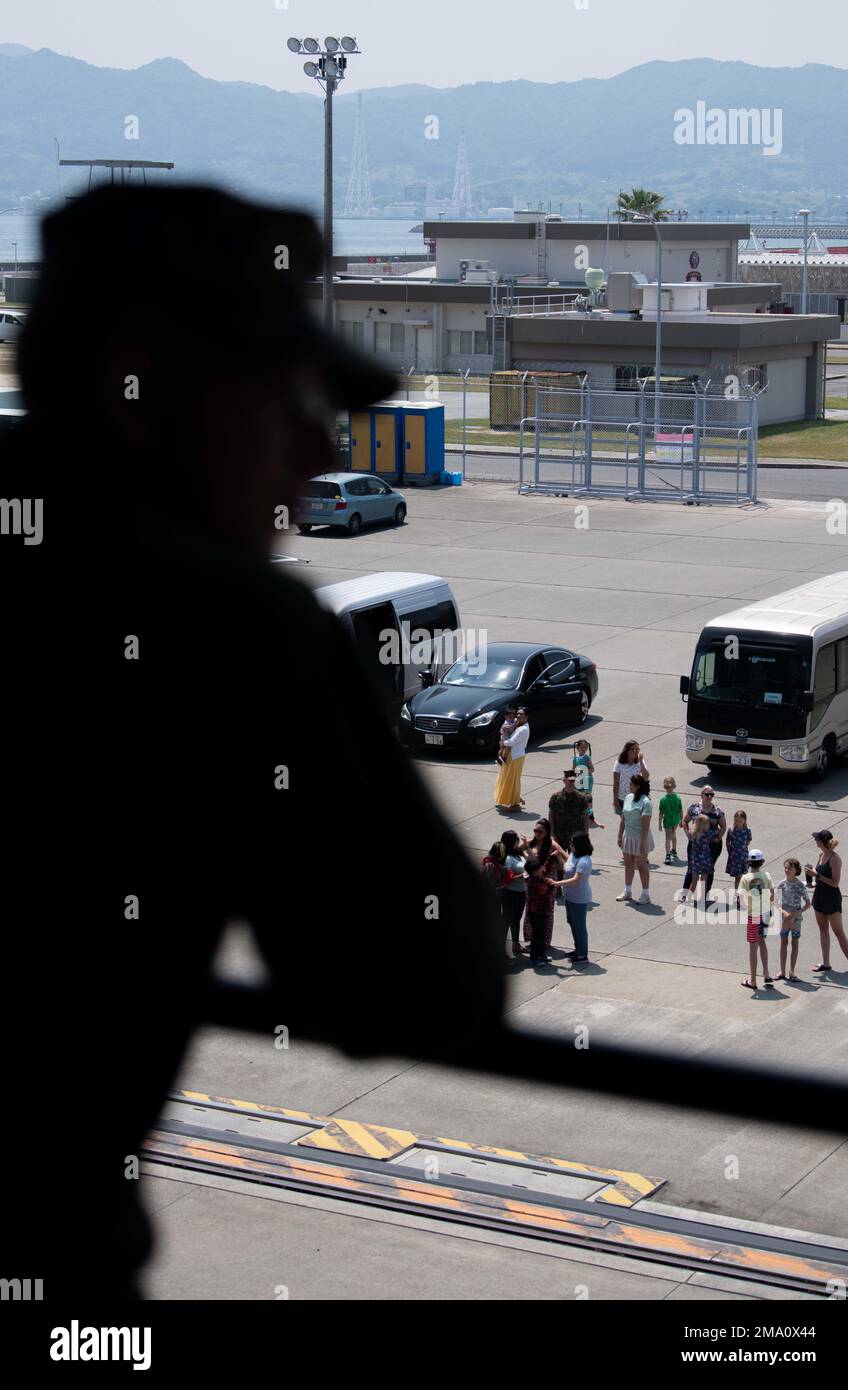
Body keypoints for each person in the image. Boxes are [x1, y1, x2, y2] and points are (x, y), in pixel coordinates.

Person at [3, 184, 505, 1300]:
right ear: (133, 394)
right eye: (281, 397)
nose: (322, 446)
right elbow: (423, 985)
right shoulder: (224, 626)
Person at [806, 832, 848, 976]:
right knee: (823, 929)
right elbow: (818, 876)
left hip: (831, 897)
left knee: (838, 931)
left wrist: (816, 875)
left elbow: (835, 883)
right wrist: (812, 881)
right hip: (819, 895)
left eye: (817, 839)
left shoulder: (835, 859)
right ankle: (826, 963)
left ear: (823, 841)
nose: (815, 840)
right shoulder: (821, 855)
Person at [522, 817, 565, 951]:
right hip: (533, 883)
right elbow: (516, 849)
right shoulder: (531, 842)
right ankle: (533, 939)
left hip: (547, 883)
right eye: (535, 830)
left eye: (540, 832)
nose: (537, 834)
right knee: (531, 909)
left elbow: (566, 860)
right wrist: (525, 856)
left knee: (546, 912)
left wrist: (556, 861)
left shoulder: (552, 844)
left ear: (547, 832)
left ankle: (545, 941)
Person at [738, 849, 775, 990]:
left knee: (753, 946)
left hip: (753, 915)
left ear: (748, 862)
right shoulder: (766, 875)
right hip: (765, 913)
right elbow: (772, 895)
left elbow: (740, 898)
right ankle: (766, 973)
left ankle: (753, 980)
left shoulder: (745, 878)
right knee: (762, 942)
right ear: (762, 862)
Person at [556, 831, 594, 964]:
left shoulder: (584, 861)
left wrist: (557, 884)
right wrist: (559, 856)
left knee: (580, 926)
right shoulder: (573, 855)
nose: (570, 845)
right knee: (572, 922)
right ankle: (578, 949)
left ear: (579, 845)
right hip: (570, 896)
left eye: (572, 843)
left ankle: (583, 955)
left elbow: (576, 880)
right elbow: (566, 868)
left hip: (579, 898)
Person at [681, 786, 727, 897]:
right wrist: (689, 835)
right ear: (701, 794)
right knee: (691, 870)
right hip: (695, 845)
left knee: (709, 871)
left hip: (713, 846)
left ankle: (705, 895)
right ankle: (685, 894)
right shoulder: (694, 808)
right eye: (707, 794)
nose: (709, 797)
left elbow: (723, 826)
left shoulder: (717, 810)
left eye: (712, 795)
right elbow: (684, 821)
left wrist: (719, 837)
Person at [616, 774, 654, 904]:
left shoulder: (646, 802)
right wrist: (619, 835)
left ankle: (645, 894)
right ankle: (627, 891)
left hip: (640, 838)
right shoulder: (628, 797)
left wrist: (643, 843)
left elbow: (646, 825)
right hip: (628, 836)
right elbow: (623, 818)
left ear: (637, 786)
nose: (629, 786)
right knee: (628, 865)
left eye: (631, 784)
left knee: (642, 866)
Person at [775, 858, 810, 983]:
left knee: (794, 943)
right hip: (784, 919)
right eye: (785, 868)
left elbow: (807, 903)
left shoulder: (799, 885)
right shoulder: (782, 884)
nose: (787, 870)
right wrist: (783, 912)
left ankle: (792, 971)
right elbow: (775, 900)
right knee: (783, 942)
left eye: (789, 868)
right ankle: (782, 971)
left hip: (796, 920)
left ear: (796, 870)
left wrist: (796, 914)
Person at [499, 830, 529, 956]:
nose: (518, 841)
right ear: (511, 842)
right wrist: (521, 876)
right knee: (507, 920)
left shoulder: (517, 853)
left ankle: (515, 944)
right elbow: (505, 878)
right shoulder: (507, 858)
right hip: (511, 894)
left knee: (516, 919)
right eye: (516, 839)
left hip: (521, 892)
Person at [494, 707, 530, 810]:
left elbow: (511, 742)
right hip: (512, 755)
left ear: (526, 716)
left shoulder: (523, 729)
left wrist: (502, 743)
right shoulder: (518, 724)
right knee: (507, 778)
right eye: (517, 714)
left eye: (521, 714)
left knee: (512, 780)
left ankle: (515, 804)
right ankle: (516, 798)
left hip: (516, 756)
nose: (518, 716)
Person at [549, 770, 590, 857]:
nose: (572, 783)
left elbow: (585, 816)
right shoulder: (556, 797)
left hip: (575, 835)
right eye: (569, 781)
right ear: (564, 781)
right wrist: (552, 833)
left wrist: (586, 833)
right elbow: (551, 815)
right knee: (559, 861)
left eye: (573, 781)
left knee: (576, 859)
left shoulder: (581, 797)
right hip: (559, 835)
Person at [524, 857, 556, 966]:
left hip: (542, 911)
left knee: (541, 934)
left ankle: (541, 954)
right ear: (534, 871)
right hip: (536, 912)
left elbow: (545, 868)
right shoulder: (534, 882)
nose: (542, 869)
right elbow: (545, 892)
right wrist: (551, 885)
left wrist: (551, 858)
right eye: (539, 868)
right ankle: (534, 958)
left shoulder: (538, 877)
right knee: (536, 936)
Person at [612, 740, 650, 817]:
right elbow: (616, 782)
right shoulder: (619, 763)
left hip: (636, 796)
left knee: (635, 820)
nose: (636, 751)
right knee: (624, 820)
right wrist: (615, 799)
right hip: (623, 797)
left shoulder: (640, 762)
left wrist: (641, 762)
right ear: (627, 751)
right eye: (633, 749)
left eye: (638, 749)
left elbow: (646, 776)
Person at [573, 740, 604, 827]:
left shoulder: (587, 758)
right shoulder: (575, 758)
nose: (583, 749)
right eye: (581, 747)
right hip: (579, 780)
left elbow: (592, 769)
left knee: (587, 798)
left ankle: (591, 817)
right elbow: (573, 769)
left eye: (585, 748)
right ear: (577, 748)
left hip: (587, 780)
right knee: (579, 798)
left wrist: (584, 770)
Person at [685, 814, 713, 902]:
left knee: (694, 881)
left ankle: (688, 897)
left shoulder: (693, 833)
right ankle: (702, 898)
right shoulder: (707, 834)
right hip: (705, 859)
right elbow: (716, 833)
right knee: (704, 880)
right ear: (703, 825)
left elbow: (689, 831)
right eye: (708, 824)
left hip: (695, 860)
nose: (709, 826)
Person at [658, 777, 683, 864]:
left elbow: (661, 812)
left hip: (667, 821)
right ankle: (674, 850)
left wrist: (659, 823)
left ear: (664, 787)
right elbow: (680, 810)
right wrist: (681, 820)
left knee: (668, 838)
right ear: (674, 786)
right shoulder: (678, 798)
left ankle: (668, 855)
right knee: (673, 834)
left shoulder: (663, 800)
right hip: (676, 820)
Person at [725, 810, 752, 889]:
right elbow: (727, 841)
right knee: (737, 877)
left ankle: (741, 893)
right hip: (734, 857)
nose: (738, 822)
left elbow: (748, 840)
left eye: (740, 820)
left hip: (743, 856)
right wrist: (730, 851)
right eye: (736, 820)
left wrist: (743, 848)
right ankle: (737, 895)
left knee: (743, 877)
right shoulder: (731, 830)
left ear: (744, 820)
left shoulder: (747, 830)